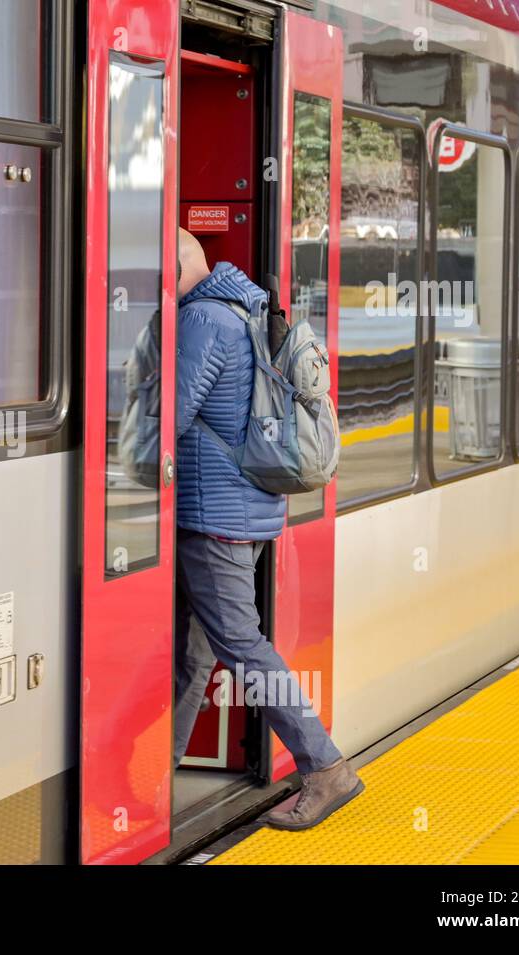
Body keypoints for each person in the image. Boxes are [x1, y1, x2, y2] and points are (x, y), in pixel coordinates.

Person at [172, 228, 364, 830]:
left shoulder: (203, 319)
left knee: (241, 648)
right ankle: (160, 768)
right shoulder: (247, 303)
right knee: (195, 652)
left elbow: (168, 414)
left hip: (216, 516)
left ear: (172, 268)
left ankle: (326, 768)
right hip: (246, 509)